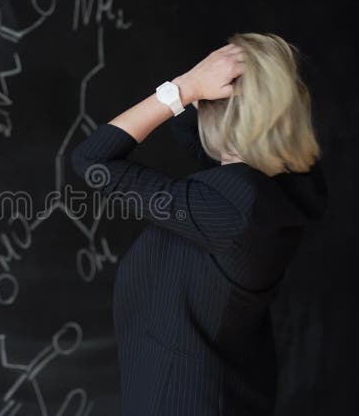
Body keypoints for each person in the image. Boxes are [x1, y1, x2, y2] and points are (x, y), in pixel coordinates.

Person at [70, 33, 328, 415]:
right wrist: (199, 90)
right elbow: (190, 132)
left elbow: (94, 161)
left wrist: (186, 86)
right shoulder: (276, 193)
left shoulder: (231, 205)